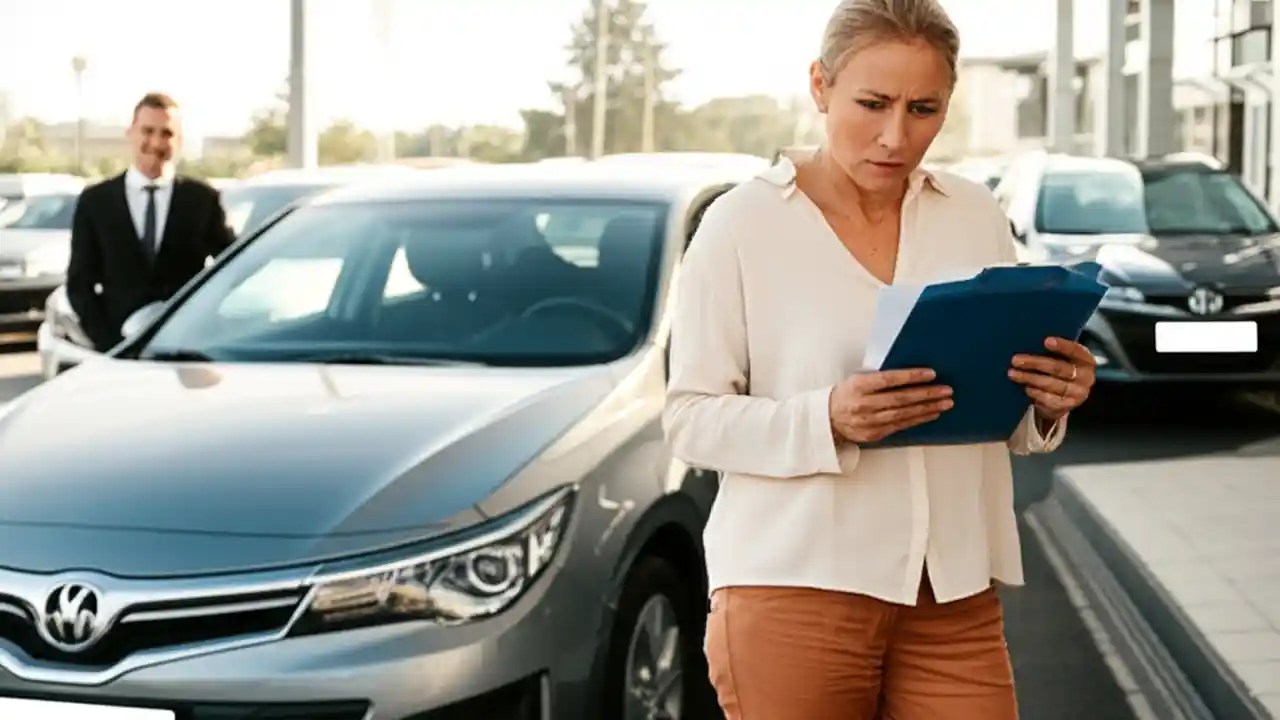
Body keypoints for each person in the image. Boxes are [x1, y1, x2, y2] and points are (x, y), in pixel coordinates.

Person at [662, 1, 1097, 718]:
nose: (897, 136)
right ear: (820, 86)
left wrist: (1048, 399)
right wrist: (827, 417)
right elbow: (689, 420)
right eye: (873, 103)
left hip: (953, 592)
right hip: (794, 587)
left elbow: (1003, 409)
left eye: (924, 108)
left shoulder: (974, 214)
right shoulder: (742, 224)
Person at [66, 92, 234, 352]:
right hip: (118, 350)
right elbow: (79, 284)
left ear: (178, 140)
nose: (156, 142)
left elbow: (230, 269)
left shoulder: (202, 200)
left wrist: (204, 324)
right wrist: (110, 342)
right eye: (147, 131)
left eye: (166, 133)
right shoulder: (96, 202)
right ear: (131, 133)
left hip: (185, 348)